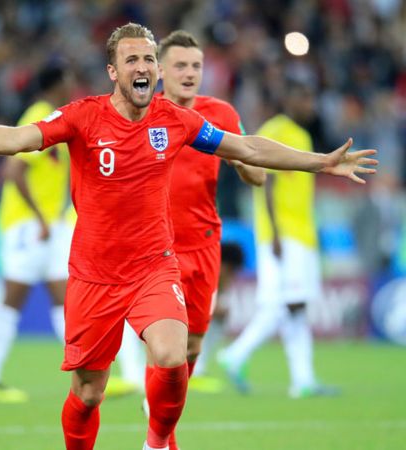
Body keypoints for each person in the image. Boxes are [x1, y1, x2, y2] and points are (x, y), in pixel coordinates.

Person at [0, 22, 376, 450]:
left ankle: (155, 444)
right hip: (94, 274)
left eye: (149, 59)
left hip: (155, 265)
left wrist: (321, 161)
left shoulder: (175, 121)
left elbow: (246, 147)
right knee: (89, 392)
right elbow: (18, 138)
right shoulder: (83, 117)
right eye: (132, 60)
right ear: (113, 70)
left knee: (173, 356)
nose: (143, 67)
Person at [140, 29, 268, 447]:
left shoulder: (221, 114)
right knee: (164, 347)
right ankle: (161, 435)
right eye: (180, 65)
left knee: (192, 346)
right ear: (161, 70)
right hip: (157, 248)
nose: (189, 73)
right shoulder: (143, 111)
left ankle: (160, 410)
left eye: (196, 66)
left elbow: (257, 174)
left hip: (204, 244)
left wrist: (240, 160)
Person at [218, 80, 339, 398]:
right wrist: (273, 230)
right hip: (284, 234)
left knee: (295, 307)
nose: (310, 105)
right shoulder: (276, 129)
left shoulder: (303, 135)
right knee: (290, 302)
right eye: (305, 97)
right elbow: (266, 180)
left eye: (312, 98)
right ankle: (236, 354)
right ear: (290, 99)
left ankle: (303, 380)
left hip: (302, 232)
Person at [0, 64, 72, 404]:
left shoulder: (55, 116)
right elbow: (14, 170)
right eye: (68, 80)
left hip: (49, 226)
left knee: (65, 298)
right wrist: (40, 216)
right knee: (13, 300)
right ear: (58, 83)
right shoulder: (40, 116)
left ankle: (84, 371)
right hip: (26, 226)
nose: (72, 86)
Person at [188, 241, 245, 393]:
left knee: (219, 319)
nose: (232, 276)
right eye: (232, 270)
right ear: (223, 264)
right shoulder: (202, 268)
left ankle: (196, 369)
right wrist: (212, 307)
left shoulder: (219, 277)